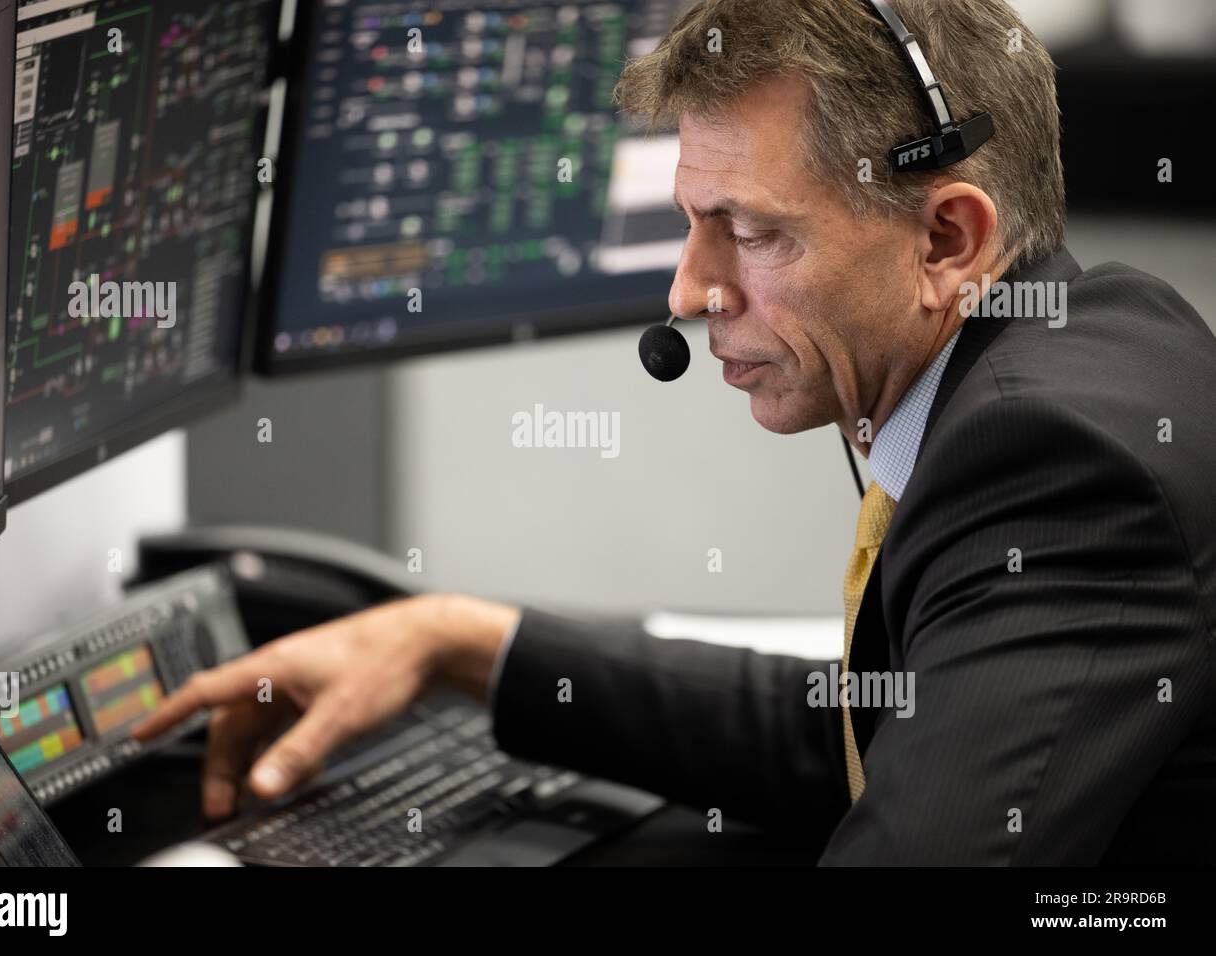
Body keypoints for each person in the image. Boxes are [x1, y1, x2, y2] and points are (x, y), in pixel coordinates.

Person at [135, 0, 1216, 863]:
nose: (690, 290)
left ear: (946, 237)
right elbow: (872, 733)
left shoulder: (1052, 464)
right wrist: (461, 641)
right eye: (689, 223)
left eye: (748, 233)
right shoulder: (1094, 333)